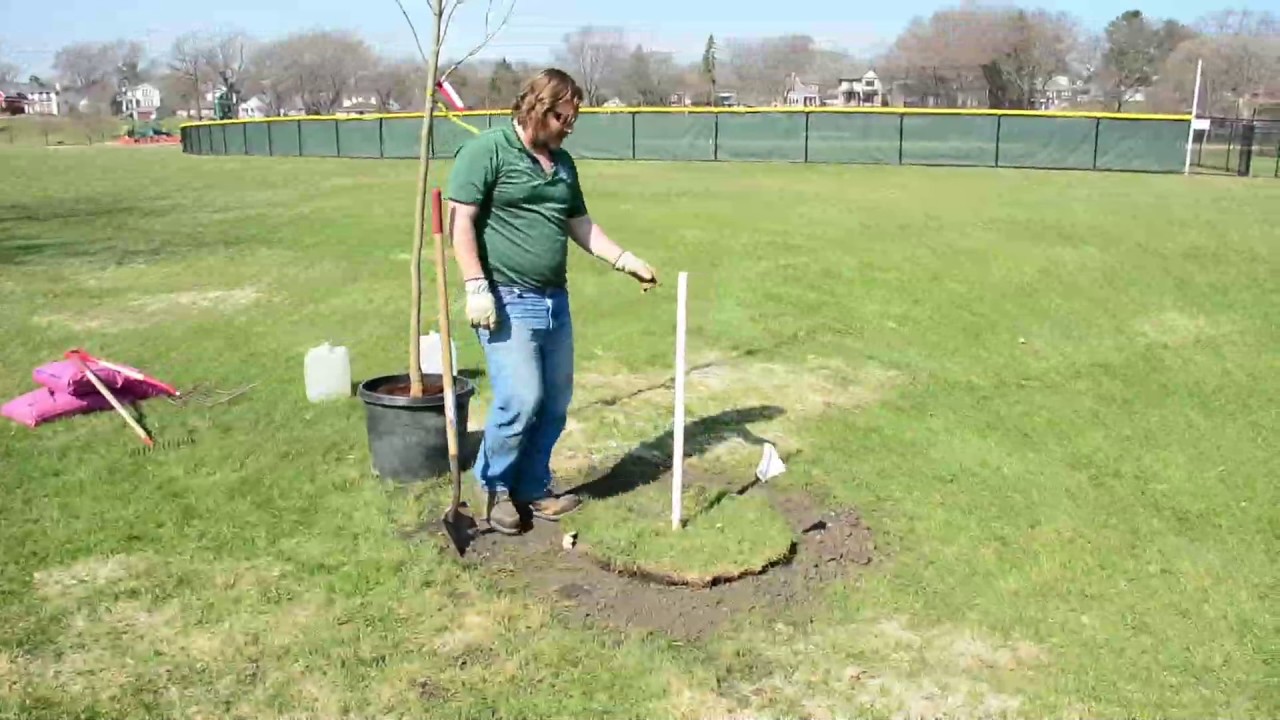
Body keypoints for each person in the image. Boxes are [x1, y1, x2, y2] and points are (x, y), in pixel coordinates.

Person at [445, 68, 658, 536]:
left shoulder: (562, 164)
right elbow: (461, 224)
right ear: (540, 107)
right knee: (521, 398)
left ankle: (533, 484)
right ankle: (495, 487)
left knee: (555, 403)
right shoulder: (486, 152)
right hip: (505, 297)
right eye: (564, 116)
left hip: (553, 301)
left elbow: (579, 224)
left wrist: (625, 259)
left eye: (574, 119)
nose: (569, 126)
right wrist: (475, 286)